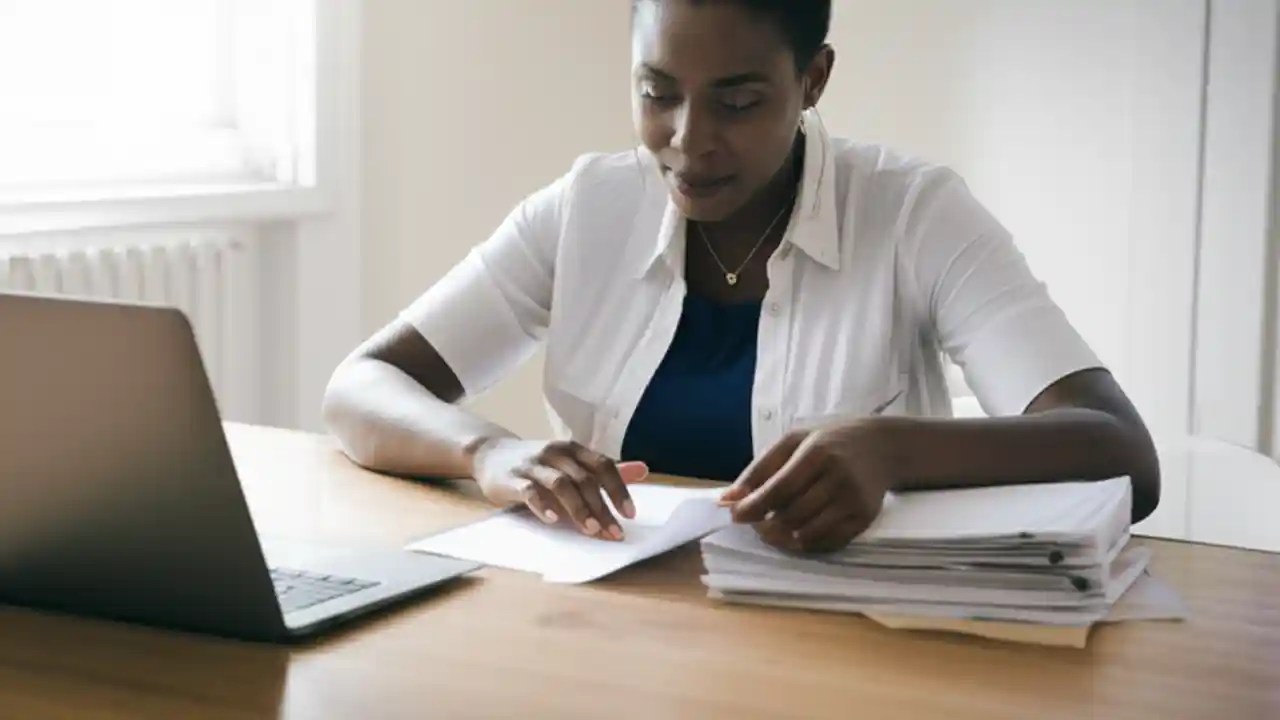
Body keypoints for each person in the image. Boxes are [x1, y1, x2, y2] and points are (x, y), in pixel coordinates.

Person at [323, 0, 1160, 554]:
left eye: (737, 102)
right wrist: (489, 451)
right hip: (617, 643)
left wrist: (888, 450)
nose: (688, 142)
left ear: (813, 80)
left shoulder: (913, 213)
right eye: (658, 93)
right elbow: (361, 388)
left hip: (858, 655)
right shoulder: (588, 207)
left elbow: (1122, 452)